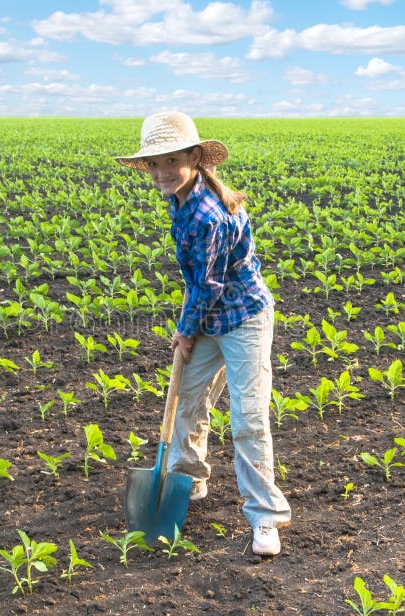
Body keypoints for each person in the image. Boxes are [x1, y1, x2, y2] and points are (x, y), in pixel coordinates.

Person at [115, 111, 291, 556]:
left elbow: (209, 284)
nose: (160, 172)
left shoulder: (207, 214)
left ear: (195, 156)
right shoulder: (183, 196)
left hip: (244, 318)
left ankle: (265, 517)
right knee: (187, 401)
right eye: (153, 164)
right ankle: (187, 480)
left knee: (249, 419)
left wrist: (186, 330)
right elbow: (200, 282)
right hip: (209, 313)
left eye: (170, 160)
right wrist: (189, 326)